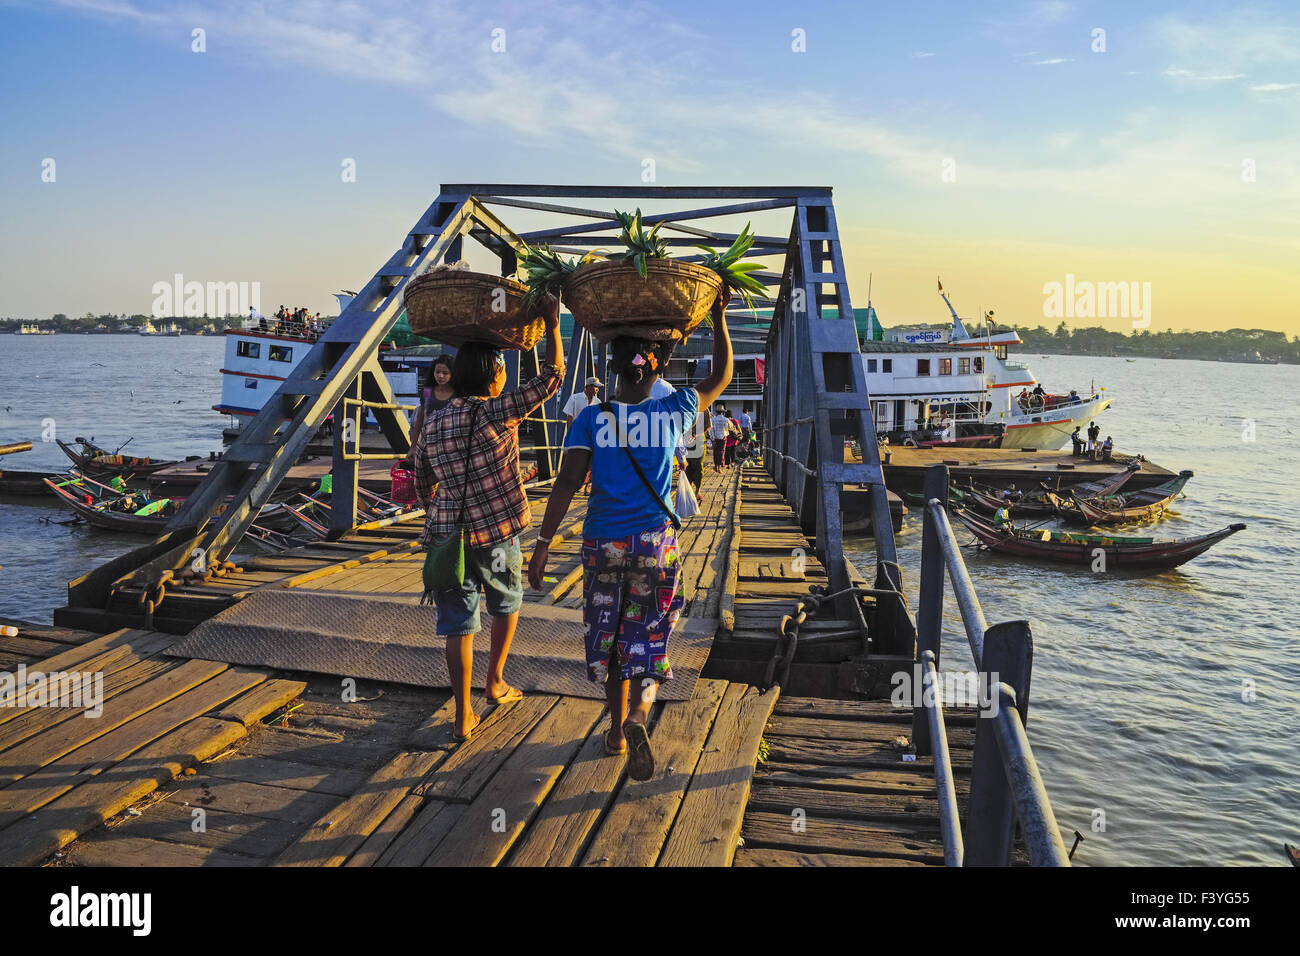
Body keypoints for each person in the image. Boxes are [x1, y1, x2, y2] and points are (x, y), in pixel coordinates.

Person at [528, 291, 734, 780]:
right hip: (654, 544)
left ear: (615, 369)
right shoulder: (674, 410)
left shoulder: (590, 418)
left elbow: (565, 485)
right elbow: (721, 376)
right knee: (649, 630)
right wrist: (720, 317)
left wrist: (541, 546)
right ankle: (642, 712)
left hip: (602, 544)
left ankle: (617, 732)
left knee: (610, 633)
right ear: (657, 368)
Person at [412, 295, 563, 741]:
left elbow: (421, 476)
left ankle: (462, 716)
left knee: (458, 625)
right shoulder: (496, 410)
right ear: (494, 378)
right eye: (500, 372)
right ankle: (495, 681)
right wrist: (553, 325)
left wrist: (434, 506)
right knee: (506, 603)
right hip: (495, 534)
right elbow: (552, 378)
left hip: (447, 538)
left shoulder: (435, 421)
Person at [405, 355, 455, 465]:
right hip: (427, 443)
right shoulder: (427, 390)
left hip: (450, 445)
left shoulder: (458, 394)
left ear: (452, 374)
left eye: (445, 373)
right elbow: (420, 417)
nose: (440, 376)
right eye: (437, 372)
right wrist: (413, 447)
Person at [682, 403, 709, 496]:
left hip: (699, 441)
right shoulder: (684, 407)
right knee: (687, 466)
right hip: (687, 440)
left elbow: (708, 425)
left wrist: (696, 434)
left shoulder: (704, 408)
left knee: (698, 466)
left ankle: (697, 490)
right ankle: (689, 489)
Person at [709, 404, 730, 472]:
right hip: (723, 438)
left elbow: (711, 430)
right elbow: (729, 429)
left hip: (715, 438)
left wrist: (712, 438)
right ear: (723, 412)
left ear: (716, 412)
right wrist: (726, 434)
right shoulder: (726, 420)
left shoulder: (713, 419)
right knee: (721, 452)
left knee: (715, 452)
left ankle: (716, 466)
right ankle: (719, 467)